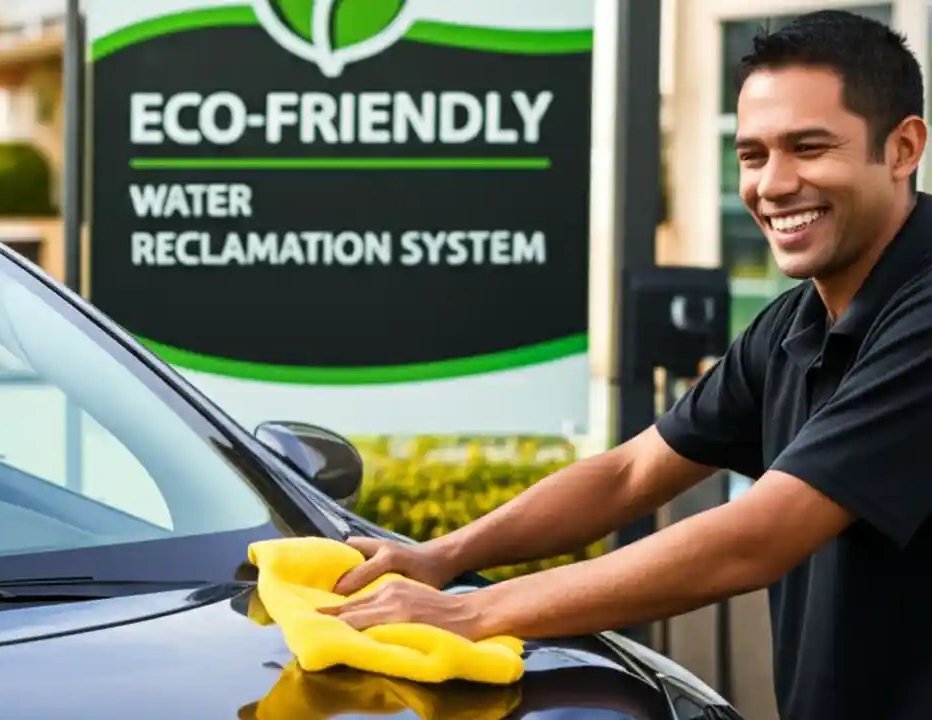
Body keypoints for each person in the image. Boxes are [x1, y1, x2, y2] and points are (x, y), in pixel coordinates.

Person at [318, 10, 932, 720]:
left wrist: (471, 613)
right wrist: (440, 558)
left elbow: (754, 540)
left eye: (809, 147)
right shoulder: (797, 321)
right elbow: (627, 473)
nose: (773, 184)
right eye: (753, 154)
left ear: (902, 148)